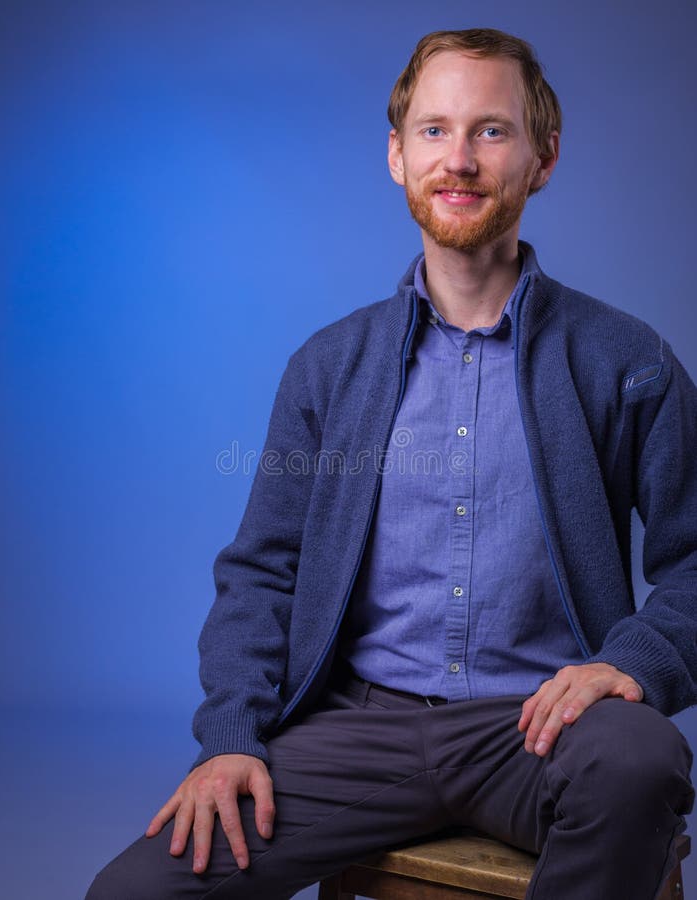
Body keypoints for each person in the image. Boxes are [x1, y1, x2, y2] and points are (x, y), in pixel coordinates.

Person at [86, 27, 696, 900]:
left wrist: (631, 662)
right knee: (135, 894)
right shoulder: (328, 367)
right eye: (433, 130)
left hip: (539, 731)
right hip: (357, 732)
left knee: (639, 760)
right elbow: (262, 571)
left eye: (491, 130)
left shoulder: (625, 360)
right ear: (397, 156)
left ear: (542, 158)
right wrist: (229, 734)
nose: (460, 158)